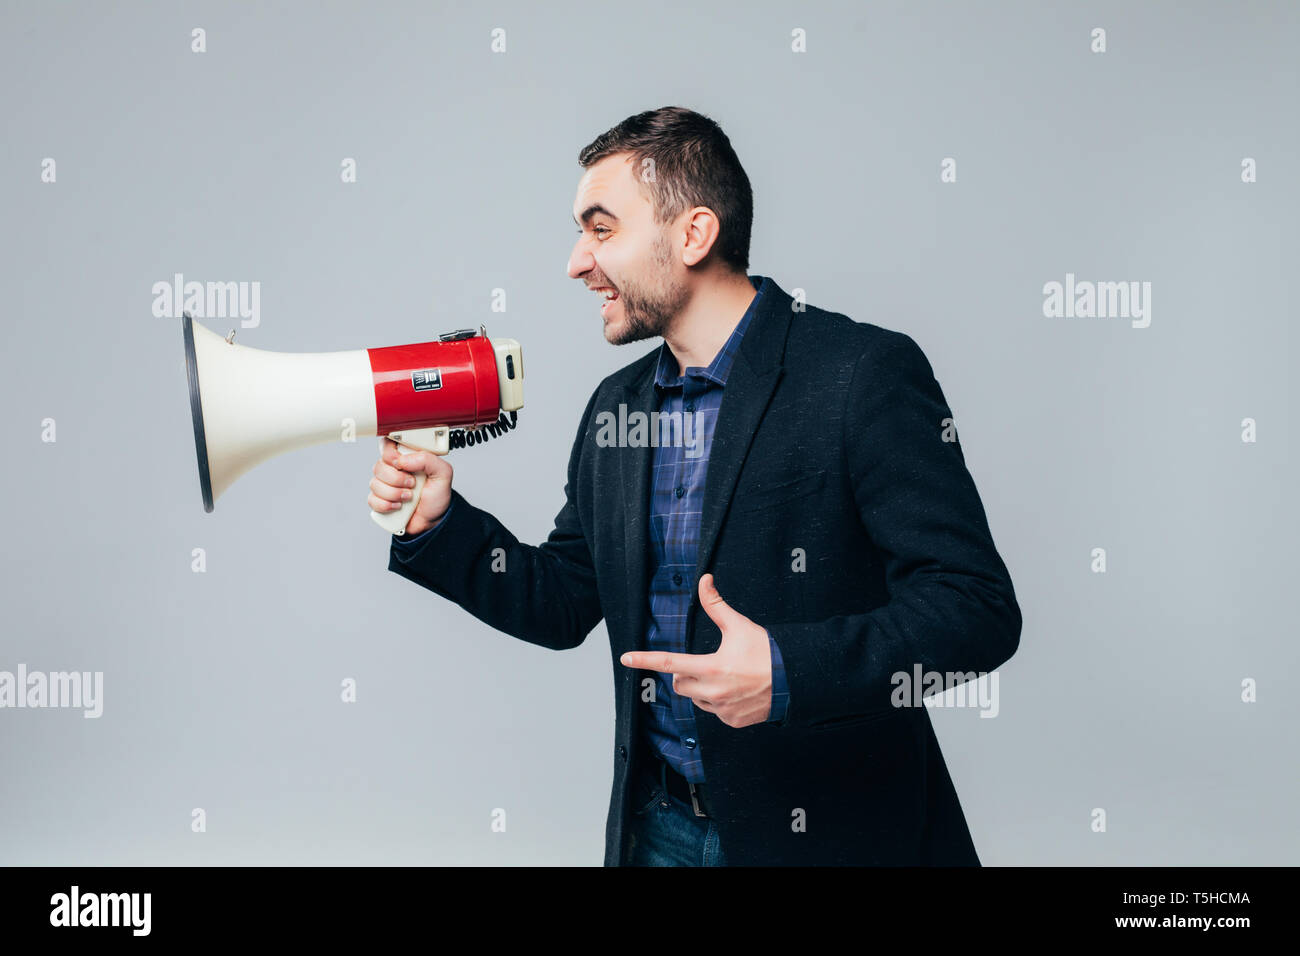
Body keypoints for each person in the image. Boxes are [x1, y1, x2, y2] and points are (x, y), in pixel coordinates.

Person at [368, 106, 1021, 866]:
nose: (576, 263)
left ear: (694, 234)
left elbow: (975, 610)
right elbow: (567, 598)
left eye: (601, 228)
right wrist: (441, 525)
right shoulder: (617, 407)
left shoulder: (860, 374)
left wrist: (787, 670)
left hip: (831, 838)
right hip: (659, 832)